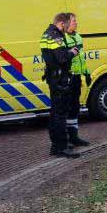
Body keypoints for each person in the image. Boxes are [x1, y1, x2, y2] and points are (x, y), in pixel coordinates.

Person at [39, 13, 81, 158]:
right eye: (67, 24)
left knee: (55, 113)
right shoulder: (55, 36)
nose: (68, 27)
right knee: (60, 114)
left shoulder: (46, 34)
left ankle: (55, 145)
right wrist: (72, 52)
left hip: (53, 77)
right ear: (62, 24)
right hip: (59, 78)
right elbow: (61, 57)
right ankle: (61, 147)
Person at [63, 13, 90, 147]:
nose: (76, 23)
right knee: (66, 107)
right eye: (74, 21)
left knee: (75, 107)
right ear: (67, 23)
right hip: (68, 77)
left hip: (77, 77)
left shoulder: (78, 37)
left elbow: (81, 59)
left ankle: (74, 136)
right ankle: (66, 137)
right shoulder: (63, 38)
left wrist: (87, 73)